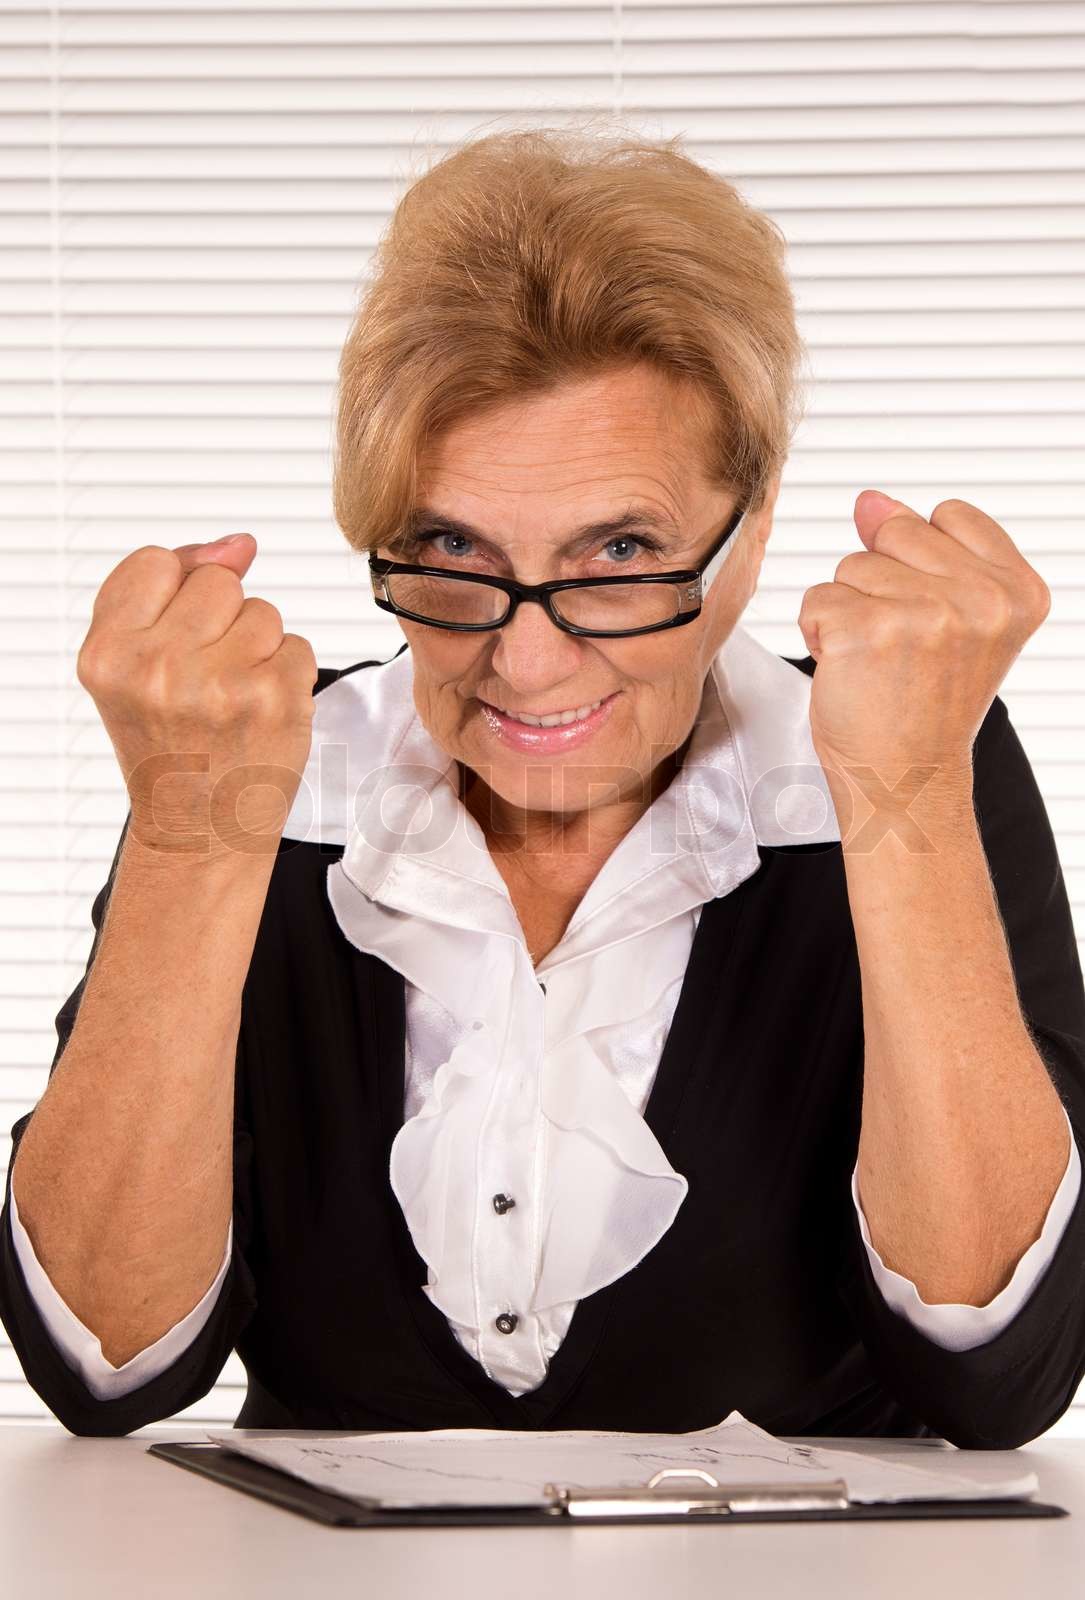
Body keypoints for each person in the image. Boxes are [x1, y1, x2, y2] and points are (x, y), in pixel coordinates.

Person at [2, 123, 1082, 1444]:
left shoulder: (903, 753)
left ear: (745, 535)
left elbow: (997, 1374)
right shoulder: (254, 767)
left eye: (619, 550)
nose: (519, 658)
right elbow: (105, 1369)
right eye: (448, 549)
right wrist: (188, 840)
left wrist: (905, 797)